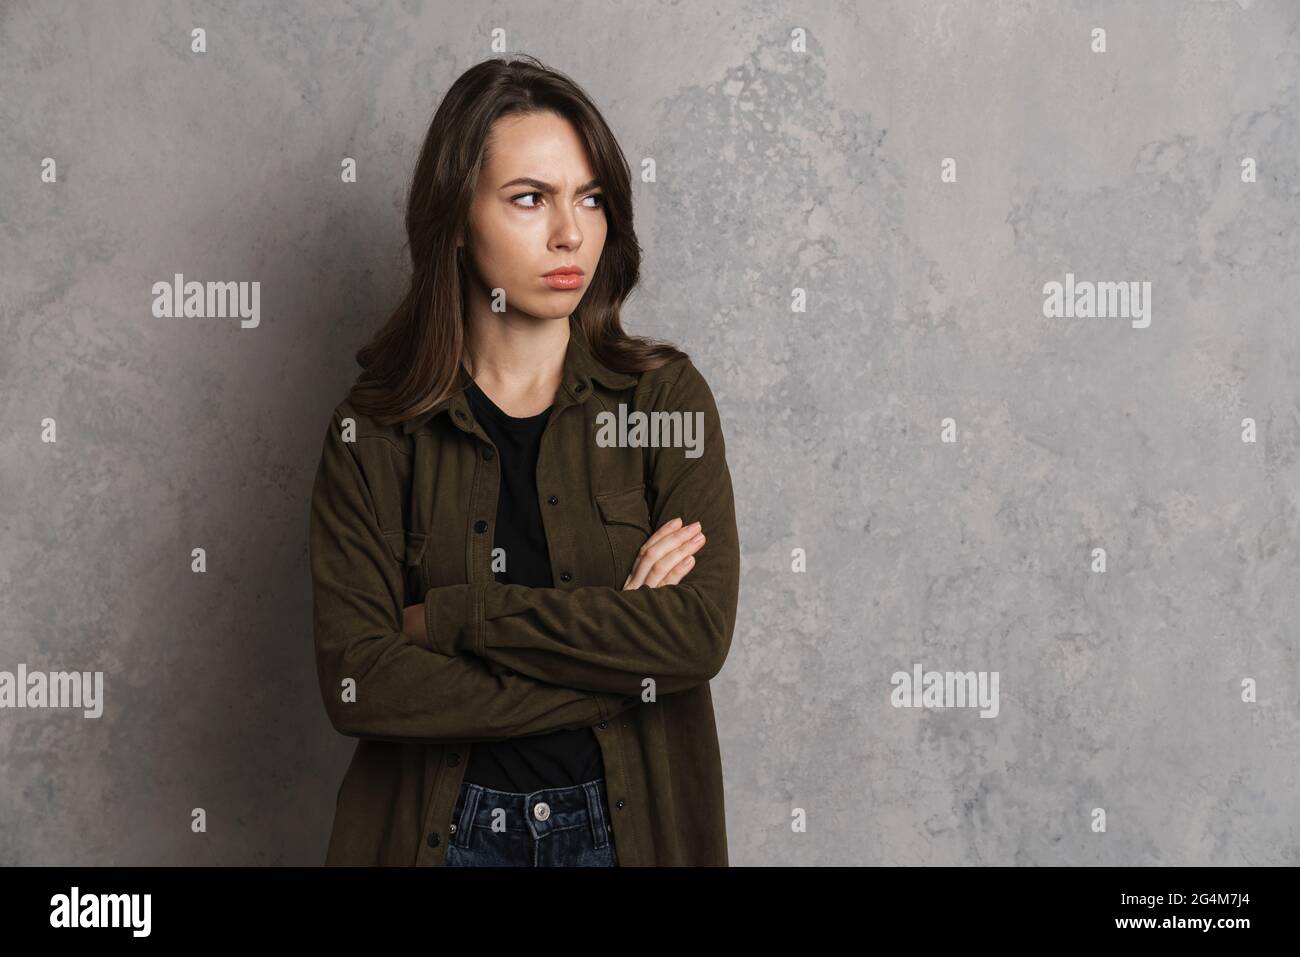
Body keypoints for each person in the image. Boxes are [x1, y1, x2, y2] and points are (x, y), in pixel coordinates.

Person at [308, 55, 740, 866]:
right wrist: (619, 652)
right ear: (457, 219)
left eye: (591, 198)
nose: (570, 232)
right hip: (444, 837)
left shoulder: (663, 403)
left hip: (627, 837)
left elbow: (695, 635)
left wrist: (452, 619)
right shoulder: (374, 432)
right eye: (530, 198)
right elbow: (361, 682)